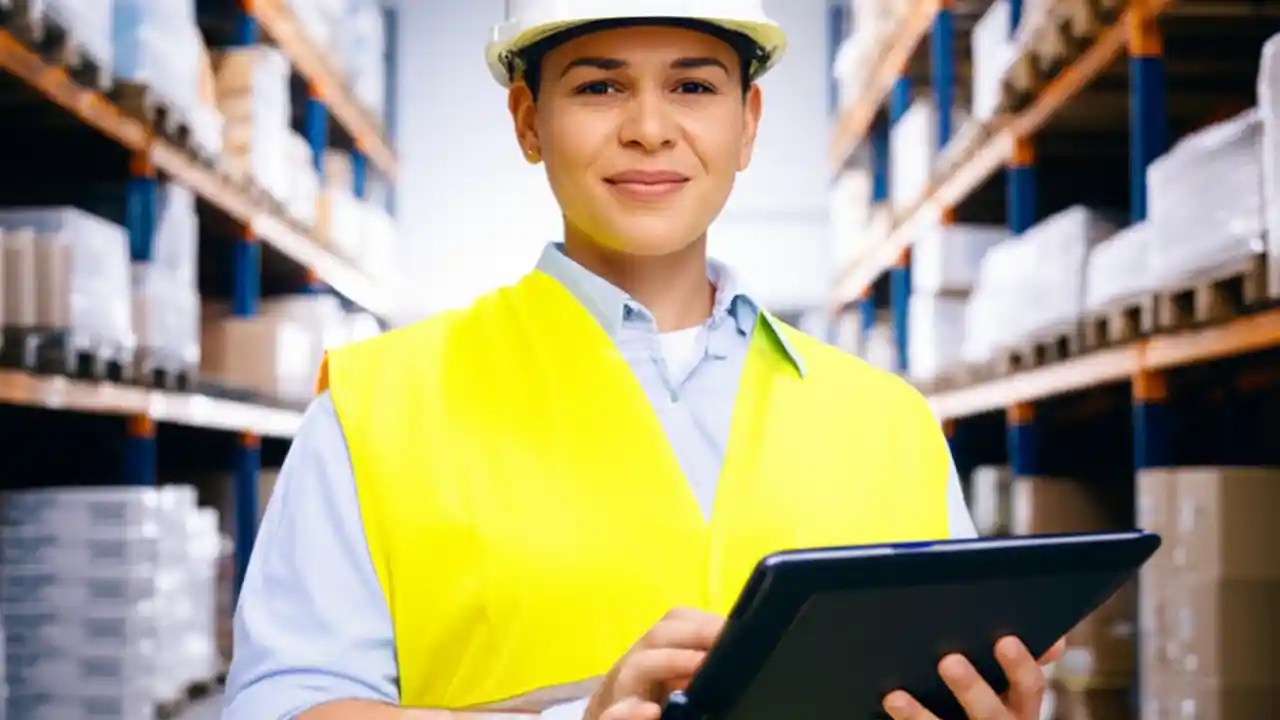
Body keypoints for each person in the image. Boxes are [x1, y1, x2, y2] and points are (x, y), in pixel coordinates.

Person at [223, 2, 1060, 719]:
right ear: (527, 121)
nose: (650, 129)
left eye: (693, 86)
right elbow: (282, 703)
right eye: (599, 87)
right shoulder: (380, 406)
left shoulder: (890, 422)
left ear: (748, 124)